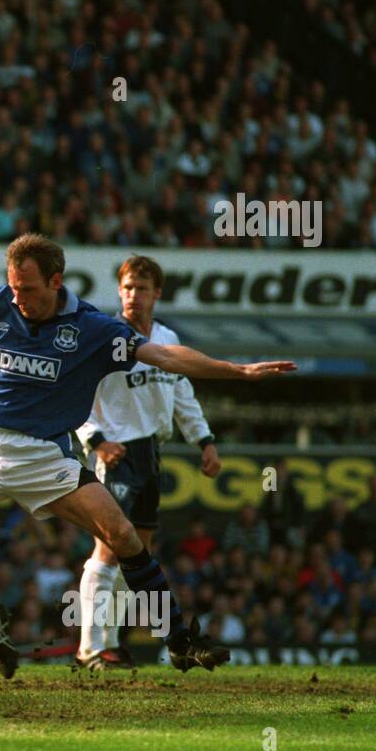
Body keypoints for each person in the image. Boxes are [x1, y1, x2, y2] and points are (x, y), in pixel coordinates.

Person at [0, 233, 294, 678]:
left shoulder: (92, 329)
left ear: (55, 282)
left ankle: (179, 640)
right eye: (13, 286)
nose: (18, 297)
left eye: (28, 288)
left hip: (44, 458)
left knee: (123, 535)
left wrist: (238, 370)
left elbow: (164, 355)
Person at [74, 255, 219, 669]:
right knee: (108, 547)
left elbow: (183, 396)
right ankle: (90, 647)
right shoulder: (106, 336)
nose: (133, 294)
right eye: (127, 287)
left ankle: (110, 644)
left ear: (158, 292)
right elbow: (76, 391)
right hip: (117, 453)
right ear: (119, 292)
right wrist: (96, 440)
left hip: (151, 453)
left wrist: (204, 441)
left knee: (138, 554)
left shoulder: (167, 337)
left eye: (141, 287)